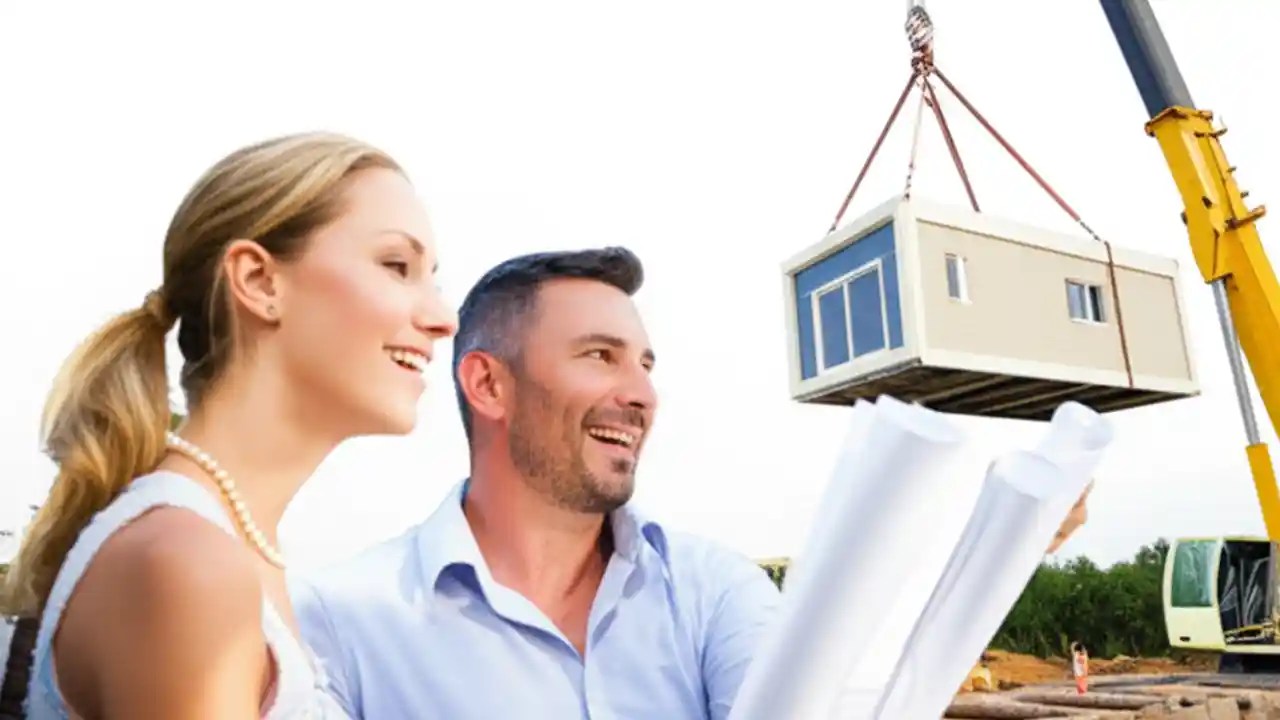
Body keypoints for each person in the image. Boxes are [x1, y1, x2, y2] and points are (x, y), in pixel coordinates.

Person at [291, 246, 1094, 719]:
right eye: (598, 356)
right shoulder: (345, 623)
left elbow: (826, 702)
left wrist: (963, 547)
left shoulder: (710, 591)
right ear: (489, 385)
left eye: (643, 364)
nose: (640, 394)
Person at [0, 131, 456, 719]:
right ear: (259, 282)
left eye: (432, 279)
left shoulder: (221, 552)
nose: (442, 318)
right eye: (397, 266)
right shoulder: (187, 563)